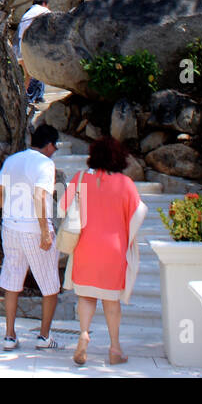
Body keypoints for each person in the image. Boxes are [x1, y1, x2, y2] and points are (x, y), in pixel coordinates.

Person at [61, 136, 148, 366]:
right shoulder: (125, 183)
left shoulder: (80, 179)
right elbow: (138, 213)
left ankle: (83, 334)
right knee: (111, 301)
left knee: (86, 296)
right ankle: (115, 348)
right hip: (114, 249)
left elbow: (63, 206)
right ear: (117, 157)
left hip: (85, 247)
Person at [0, 123, 63, 351]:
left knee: (12, 281)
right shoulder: (46, 164)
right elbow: (40, 197)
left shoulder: (12, 160)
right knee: (50, 284)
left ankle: (9, 335)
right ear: (50, 144)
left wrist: (10, 212)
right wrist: (45, 231)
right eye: (56, 147)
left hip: (10, 226)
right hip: (34, 228)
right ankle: (44, 337)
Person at [16, 0, 50, 104]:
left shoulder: (28, 13)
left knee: (28, 74)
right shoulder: (42, 10)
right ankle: (35, 97)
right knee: (38, 71)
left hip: (23, 45)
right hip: (34, 44)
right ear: (44, 3)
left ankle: (27, 97)